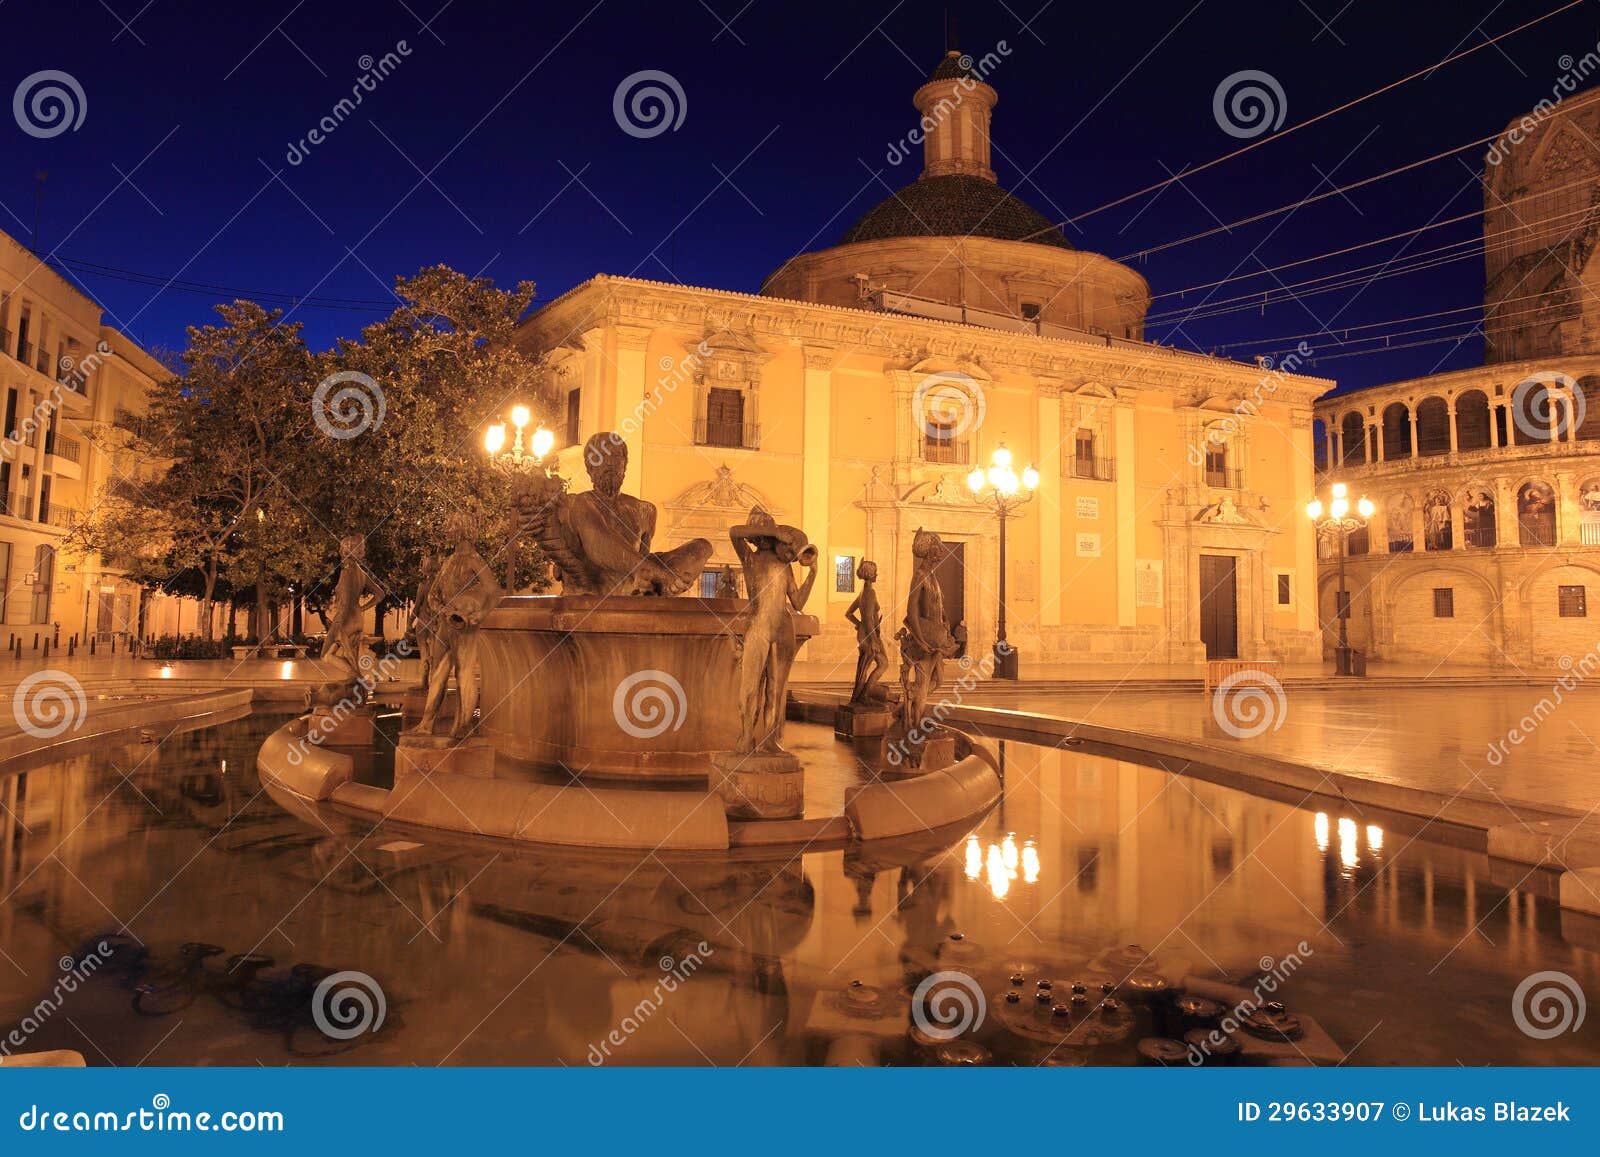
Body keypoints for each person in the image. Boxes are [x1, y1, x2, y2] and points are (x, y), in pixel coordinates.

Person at [729, 508, 817, 754]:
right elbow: (734, 533)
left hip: (782, 628)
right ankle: (746, 737)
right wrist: (772, 530)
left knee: (775, 690)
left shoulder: (784, 566)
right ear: (757, 536)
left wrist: (813, 571)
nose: (768, 539)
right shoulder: (749, 558)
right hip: (758, 627)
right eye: (763, 532)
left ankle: (770, 740)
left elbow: (798, 603)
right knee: (750, 687)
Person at [844, 559, 887, 704]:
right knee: (882, 664)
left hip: (864, 634)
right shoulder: (870, 592)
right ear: (870, 574)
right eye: (875, 572)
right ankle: (864, 695)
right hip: (870, 636)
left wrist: (859, 625)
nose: (877, 574)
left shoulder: (863, 592)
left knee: (864, 667)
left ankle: (860, 696)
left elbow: (848, 613)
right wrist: (874, 640)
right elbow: (868, 618)